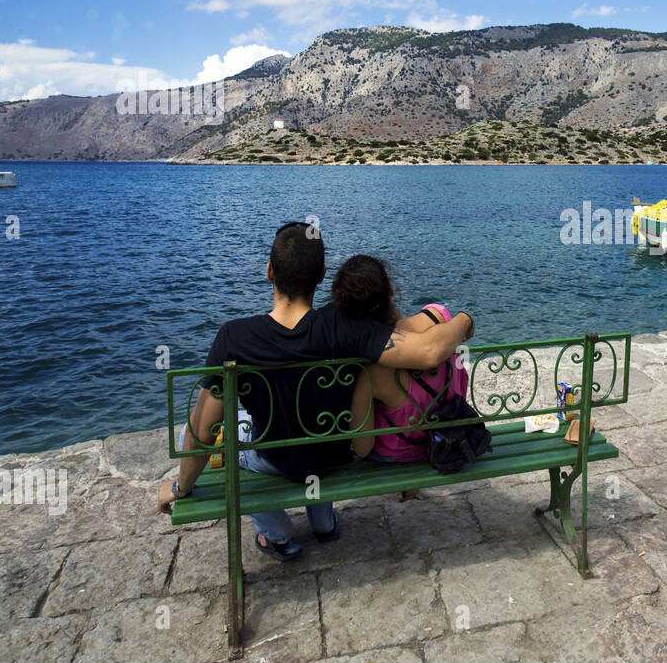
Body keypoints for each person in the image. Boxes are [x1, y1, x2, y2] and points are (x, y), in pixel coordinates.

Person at [156, 222, 474, 561]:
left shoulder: (234, 337)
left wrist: (180, 488)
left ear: (269, 272)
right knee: (309, 423)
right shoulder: (345, 325)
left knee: (195, 438)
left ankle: (277, 534)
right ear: (322, 275)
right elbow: (426, 351)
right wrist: (464, 320)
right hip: (330, 457)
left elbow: (202, 432)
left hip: (274, 459)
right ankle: (323, 524)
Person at [329, 255, 462, 499]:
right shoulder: (439, 316)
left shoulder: (370, 371)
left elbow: (362, 447)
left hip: (398, 453)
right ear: (390, 289)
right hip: (446, 435)